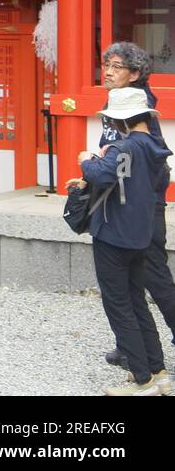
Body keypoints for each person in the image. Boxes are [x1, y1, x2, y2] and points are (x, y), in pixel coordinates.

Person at [73, 87, 173, 396]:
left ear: (120, 121)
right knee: (137, 303)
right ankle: (157, 372)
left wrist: (87, 161)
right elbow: (135, 181)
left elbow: (104, 176)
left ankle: (143, 379)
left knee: (119, 305)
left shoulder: (124, 147)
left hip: (114, 234)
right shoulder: (155, 148)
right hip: (141, 232)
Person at [97, 42, 175, 369]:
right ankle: (128, 345)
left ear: (136, 74)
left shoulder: (141, 106)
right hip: (125, 205)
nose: (109, 72)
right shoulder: (119, 101)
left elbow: (156, 160)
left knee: (154, 277)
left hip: (141, 207)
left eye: (117, 66)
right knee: (129, 279)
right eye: (107, 65)